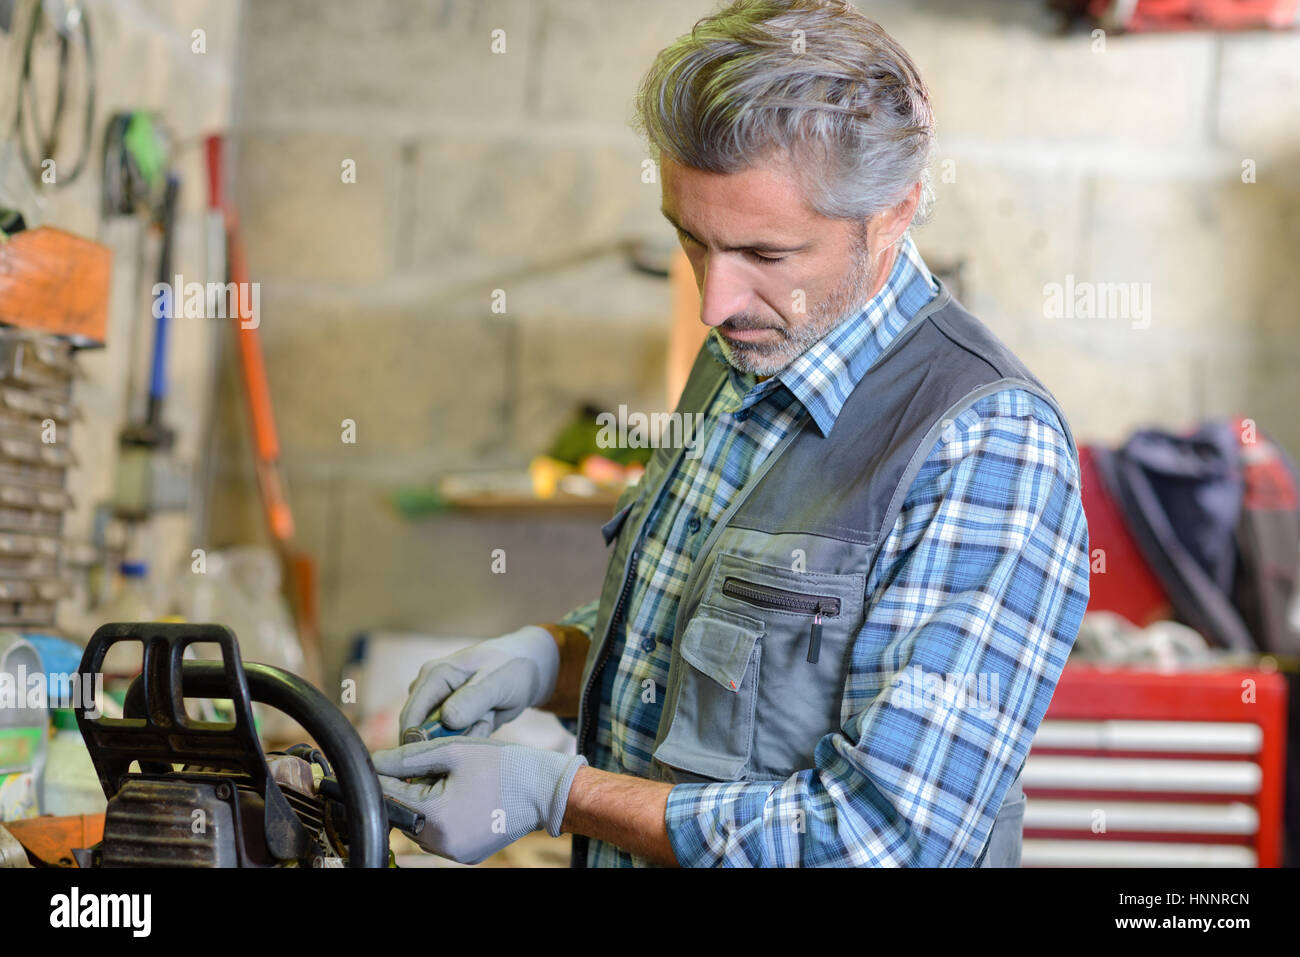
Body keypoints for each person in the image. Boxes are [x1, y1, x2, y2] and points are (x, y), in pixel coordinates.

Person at [372, 0, 1090, 868]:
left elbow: (888, 837)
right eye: (692, 241)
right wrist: (551, 656)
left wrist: (558, 794)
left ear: (895, 213)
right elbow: (715, 633)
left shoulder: (986, 443)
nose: (715, 301)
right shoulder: (743, 353)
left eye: (766, 253)